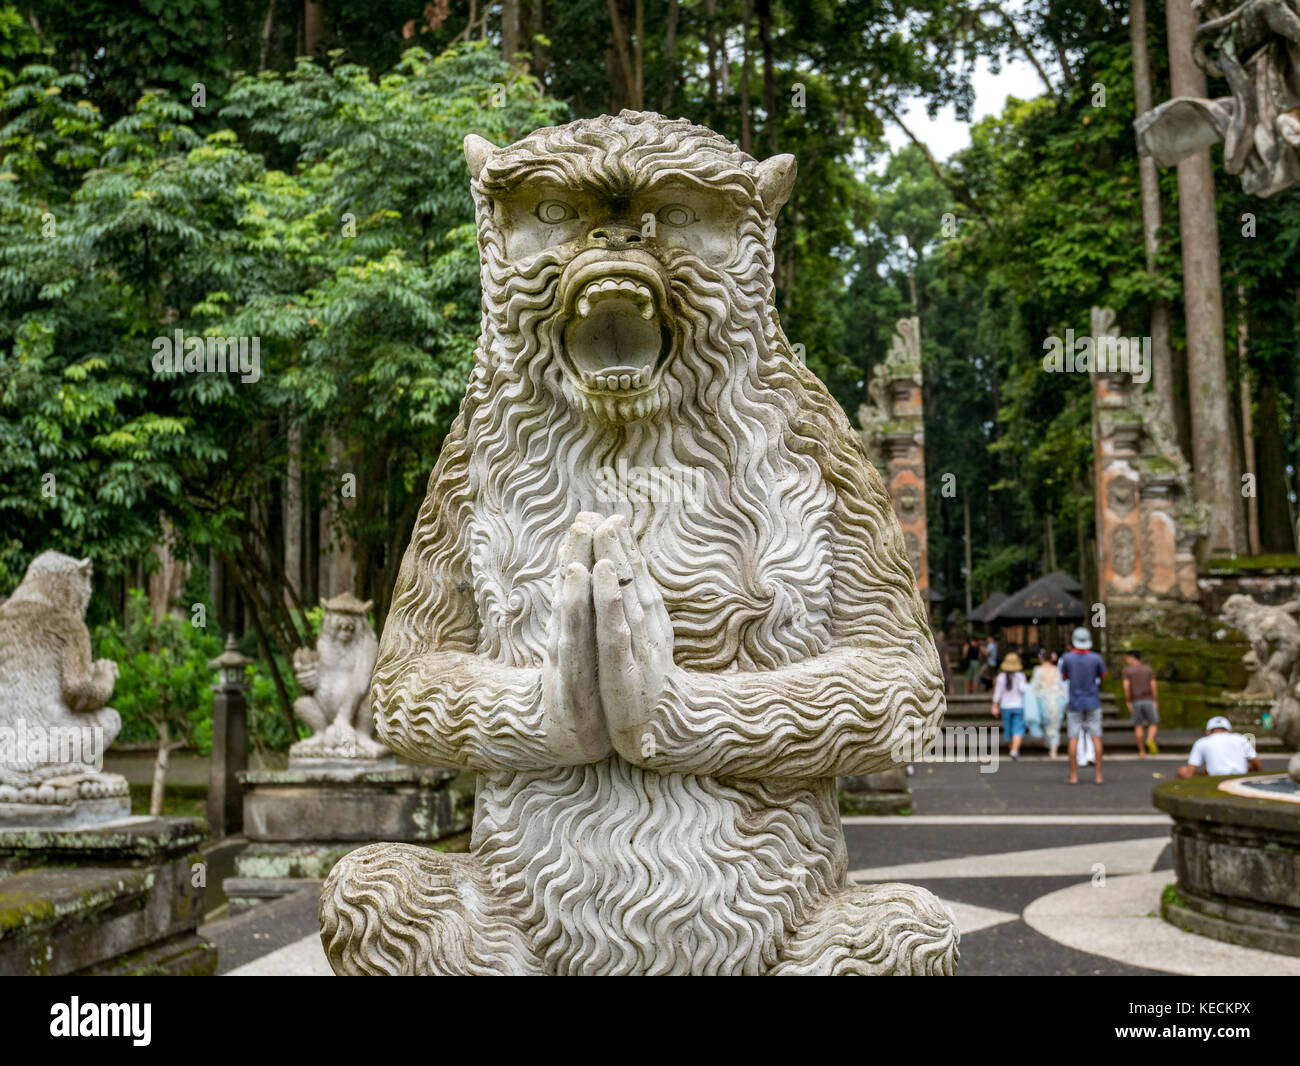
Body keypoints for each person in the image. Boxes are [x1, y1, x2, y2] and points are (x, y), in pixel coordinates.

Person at [1060, 626, 1107, 784]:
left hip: (1075, 701)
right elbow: (1103, 676)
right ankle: (1098, 776)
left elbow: (1064, 676)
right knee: (1096, 738)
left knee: (1073, 738)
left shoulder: (1067, 658)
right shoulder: (1096, 658)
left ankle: (1074, 775)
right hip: (1093, 700)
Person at [1177, 716, 1263, 778]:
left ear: (1208, 732)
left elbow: (1189, 773)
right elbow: (1256, 762)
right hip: (1239, 778)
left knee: (1182, 771)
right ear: (1229, 730)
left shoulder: (1202, 742)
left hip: (1215, 779)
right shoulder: (1240, 738)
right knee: (1250, 766)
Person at [1027, 648, 1068, 759]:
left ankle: (1050, 745)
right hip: (1058, 700)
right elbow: (1062, 685)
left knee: (1047, 724)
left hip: (1044, 701)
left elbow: (1033, 686)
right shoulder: (1057, 670)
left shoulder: (1038, 670)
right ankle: (1053, 749)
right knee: (1055, 725)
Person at [1121, 649, 1160, 757]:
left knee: (1138, 725)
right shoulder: (1148, 669)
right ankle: (1150, 739)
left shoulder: (1127, 670)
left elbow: (1126, 686)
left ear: (1132, 657)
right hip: (1149, 700)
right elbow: (1153, 686)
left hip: (1136, 701)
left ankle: (1142, 752)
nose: (1126, 659)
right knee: (1153, 723)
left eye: (1127, 657)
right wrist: (1155, 700)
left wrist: (1128, 701)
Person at [991, 652, 1028, 760]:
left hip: (1005, 707)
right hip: (1018, 706)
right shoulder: (1021, 676)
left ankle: (1012, 749)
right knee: (1018, 729)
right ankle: (1014, 751)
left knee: (1009, 729)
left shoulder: (1001, 677)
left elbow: (998, 693)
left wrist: (994, 706)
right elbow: (1024, 690)